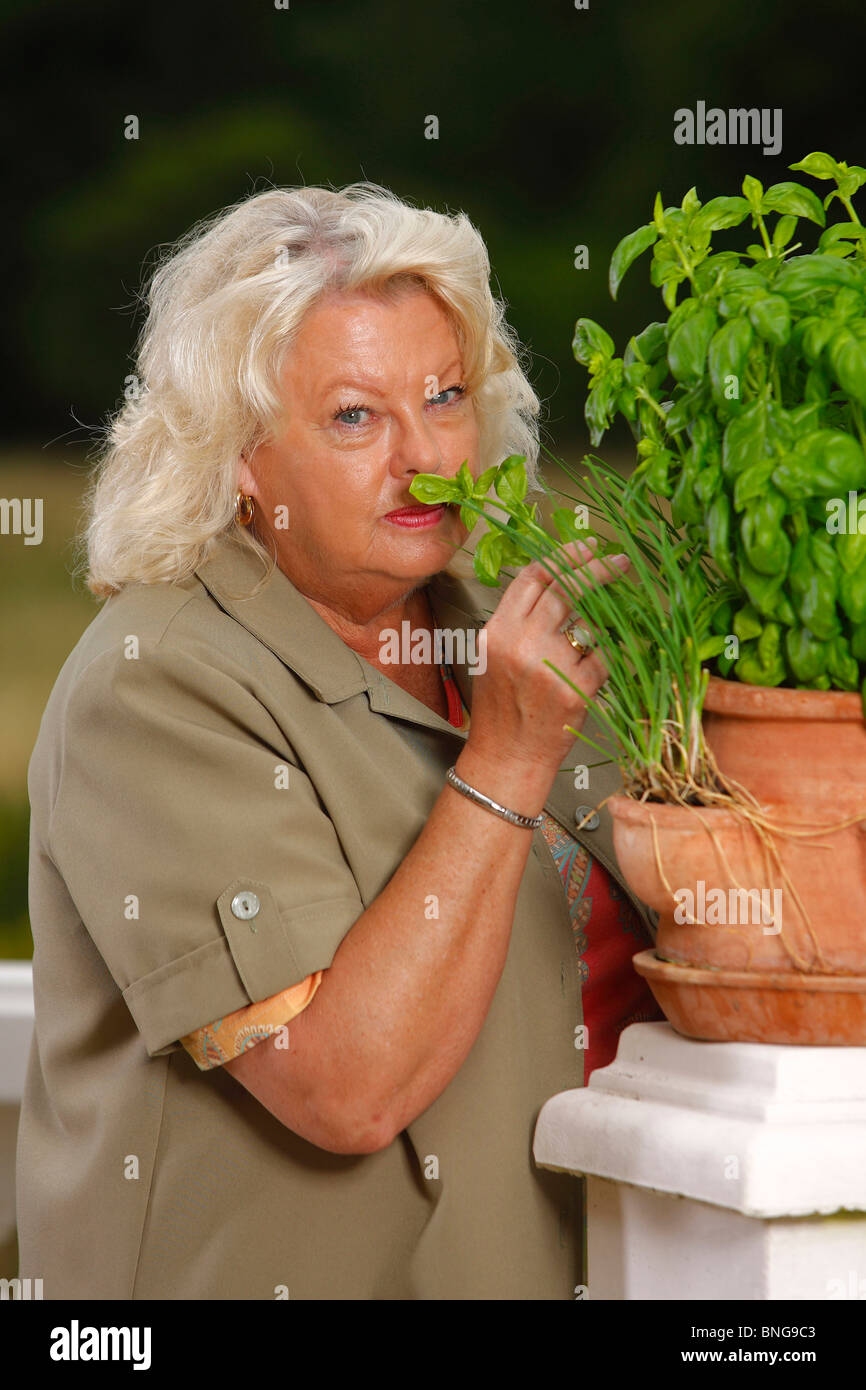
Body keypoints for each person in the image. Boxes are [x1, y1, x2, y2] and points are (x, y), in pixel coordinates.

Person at [16, 181, 662, 1301]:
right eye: (355, 416)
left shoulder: (500, 634)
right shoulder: (158, 680)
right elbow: (343, 1088)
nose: (422, 456)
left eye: (445, 396)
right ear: (241, 459)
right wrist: (503, 760)